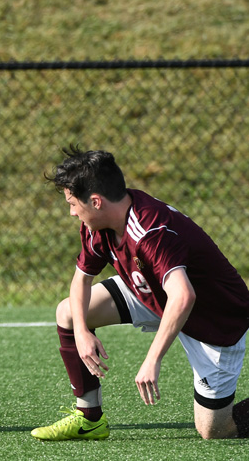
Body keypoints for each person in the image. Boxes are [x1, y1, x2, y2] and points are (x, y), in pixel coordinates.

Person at [32, 146, 249, 440]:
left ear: (95, 201)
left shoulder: (150, 231)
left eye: (72, 203)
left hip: (213, 316)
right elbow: (80, 281)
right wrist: (81, 332)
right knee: (69, 312)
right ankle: (89, 419)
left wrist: (152, 359)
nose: (71, 212)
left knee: (215, 430)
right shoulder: (99, 223)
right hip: (152, 291)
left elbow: (183, 296)